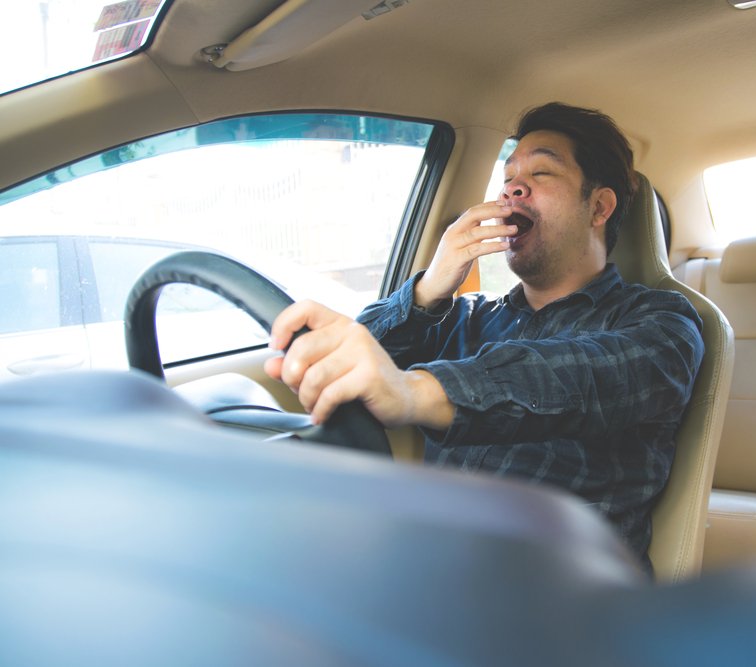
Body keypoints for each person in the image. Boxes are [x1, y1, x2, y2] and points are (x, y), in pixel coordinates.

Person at [266, 102, 705, 574]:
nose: (514, 186)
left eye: (542, 172)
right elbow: (351, 372)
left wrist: (414, 391)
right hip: (426, 566)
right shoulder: (465, 317)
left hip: (563, 596)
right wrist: (428, 289)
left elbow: (578, 380)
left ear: (598, 206)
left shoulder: (662, 321)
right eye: (509, 175)